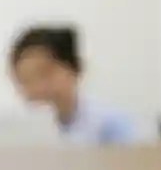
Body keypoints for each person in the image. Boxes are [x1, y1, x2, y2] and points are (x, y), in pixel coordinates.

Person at [9, 26, 145, 145]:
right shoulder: (23, 131)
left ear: (76, 68)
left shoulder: (109, 123)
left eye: (45, 74)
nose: (38, 87)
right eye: (26, 80)